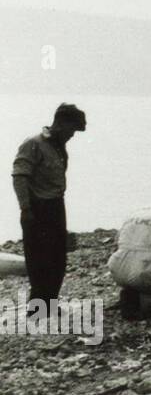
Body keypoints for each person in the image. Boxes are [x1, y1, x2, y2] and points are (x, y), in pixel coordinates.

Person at [12, 103, 86, 315]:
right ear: (61, 124)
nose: (72, 135)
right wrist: (25, 208)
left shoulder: (58, 147)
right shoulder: (33, 144)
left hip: (55, 205)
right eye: (72, 129)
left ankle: (50, 304)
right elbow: (19, 176)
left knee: (57, 257)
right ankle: (38, 307)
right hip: (37, 207)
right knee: (38, 258)